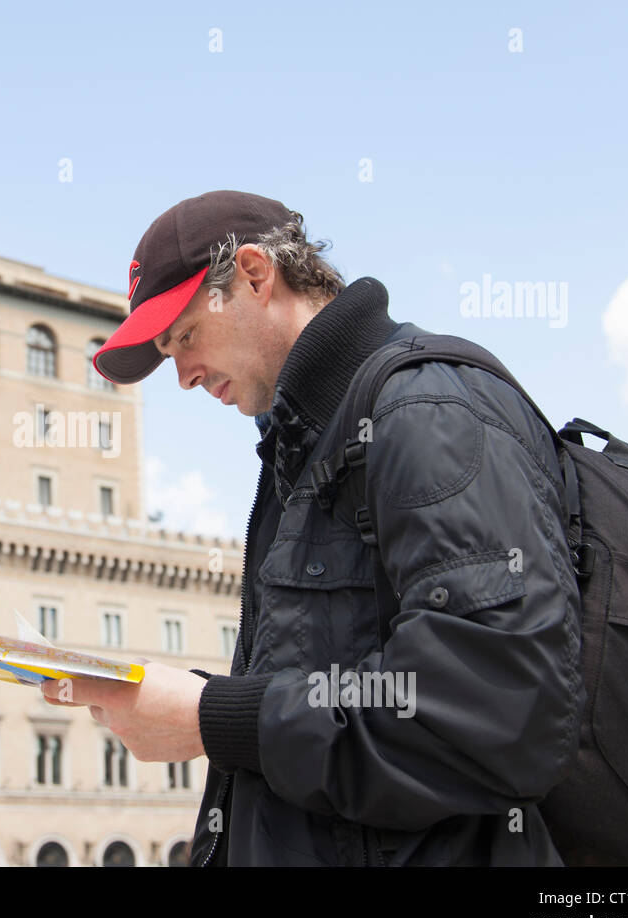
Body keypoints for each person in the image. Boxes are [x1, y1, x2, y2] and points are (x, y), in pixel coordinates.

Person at [40, 189, 585, 865]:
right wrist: (212, 703)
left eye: (184, 338)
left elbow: (499, 712)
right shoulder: (305, 453)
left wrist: (215, 719)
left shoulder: (426, 411)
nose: (180, 376)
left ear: (254, 274)